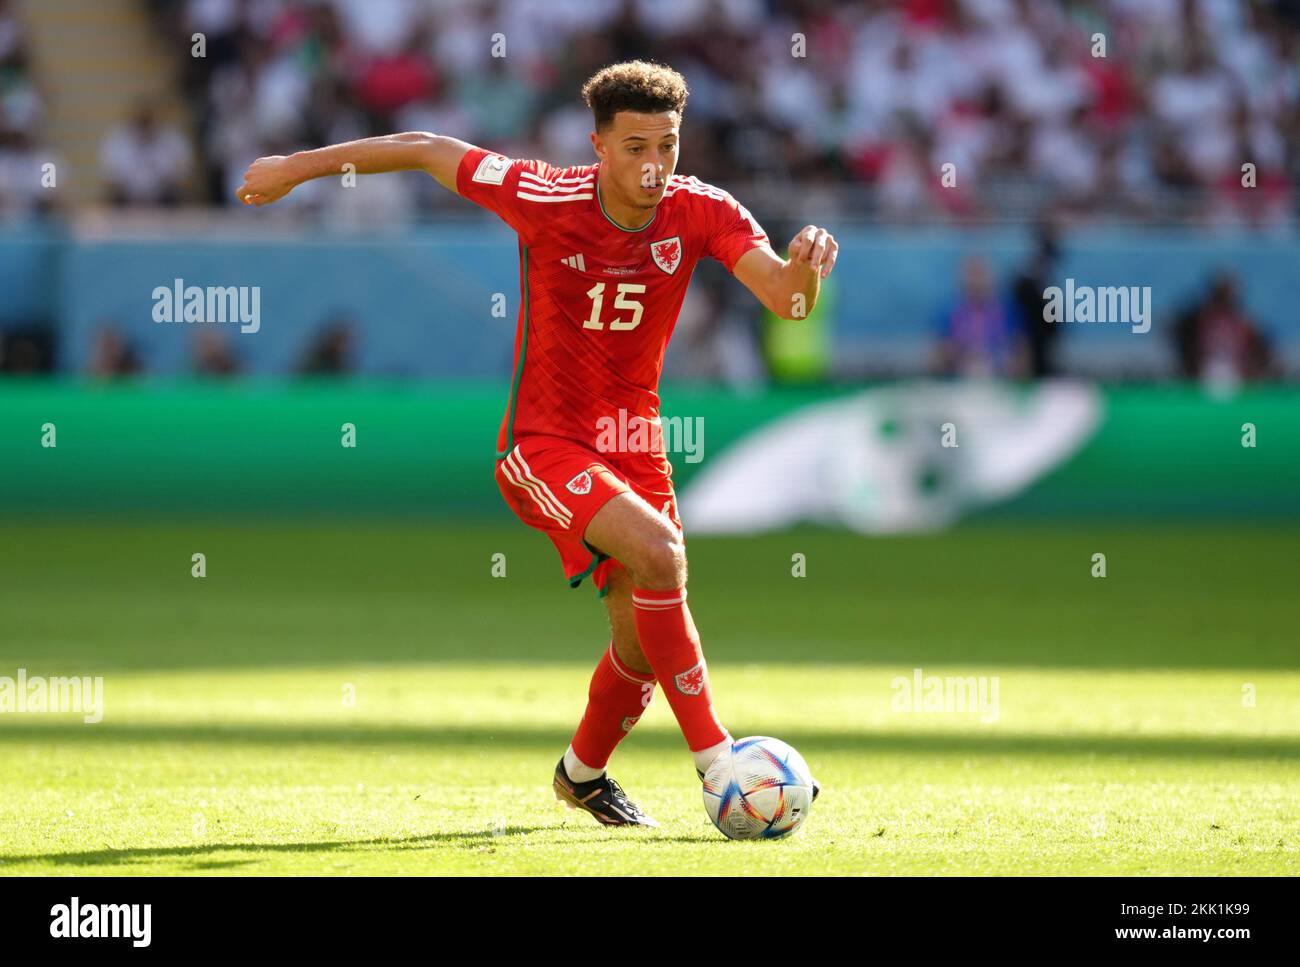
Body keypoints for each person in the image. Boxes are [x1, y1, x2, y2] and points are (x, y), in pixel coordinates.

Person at [236, 61, 831, 827]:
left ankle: (580, 774)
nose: (654, 167)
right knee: (661, 556)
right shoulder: (547, 196)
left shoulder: (704, 210)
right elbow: (425, 147)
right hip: (544, 440)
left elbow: (786, 298)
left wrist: (808, 271)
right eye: (635, 148)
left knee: (643, 644)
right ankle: (720, 763)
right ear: (598, 146)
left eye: (669, 147)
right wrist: (294, 169)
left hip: (635, 443)